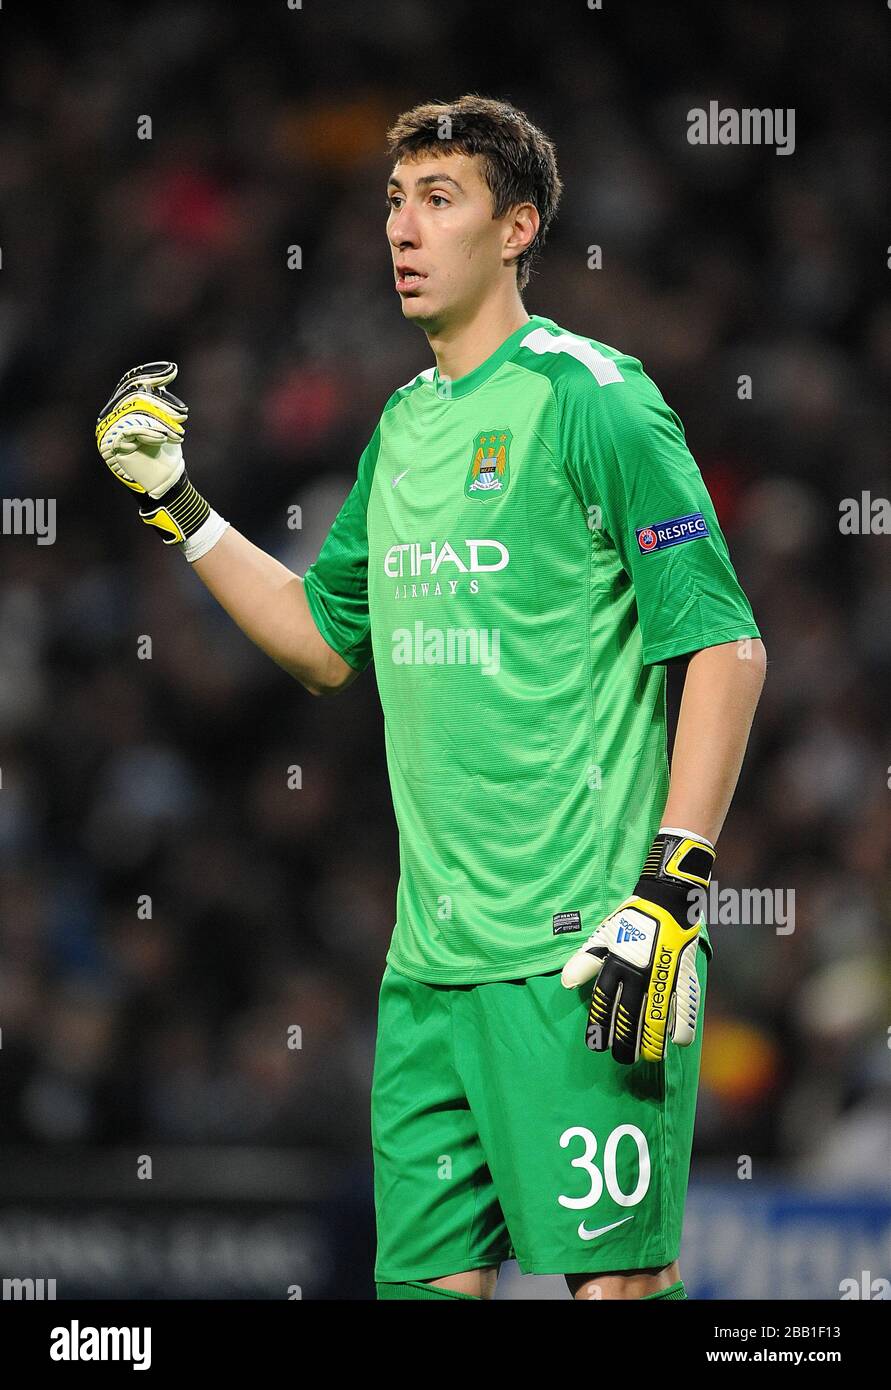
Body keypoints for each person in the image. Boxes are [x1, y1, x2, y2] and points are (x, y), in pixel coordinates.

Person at [95, 94, 767, 1301]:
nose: (402, 228)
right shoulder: (403, 431)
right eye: (394, 201)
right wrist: (178, 506)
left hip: (584, 953)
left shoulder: (593, 397)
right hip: (428, 974)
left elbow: (725, 646)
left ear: (517, 229)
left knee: (612, 1294)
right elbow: (319, 641)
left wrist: (672, 889)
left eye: (438, 200)